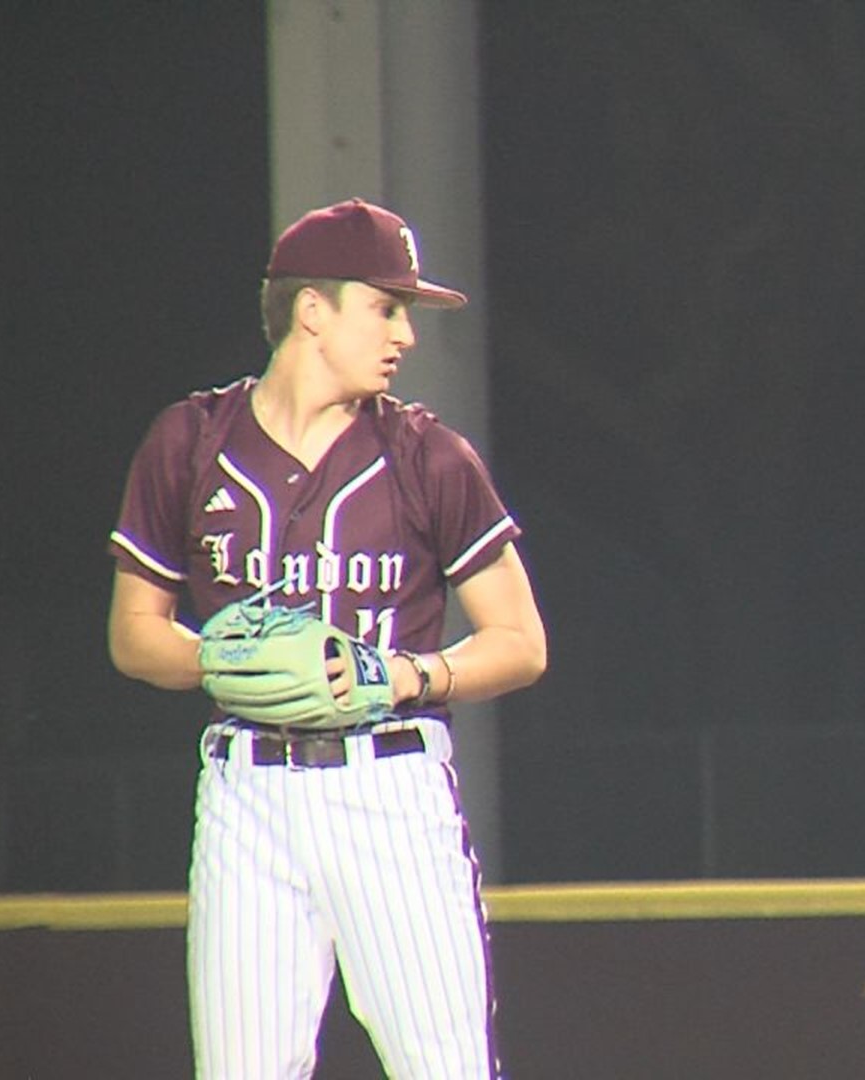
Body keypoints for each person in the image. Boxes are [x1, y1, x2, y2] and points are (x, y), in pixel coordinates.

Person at [106, 197, 548, 1078]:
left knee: (445, 1069)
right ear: (313, 309)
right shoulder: (190, 442)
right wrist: (218, 659)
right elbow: (132, 634)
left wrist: (404, 677)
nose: (405, 335)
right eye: (387, 306)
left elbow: (520, 641)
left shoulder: (429, 456)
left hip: (389, 787)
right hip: (247, 793)